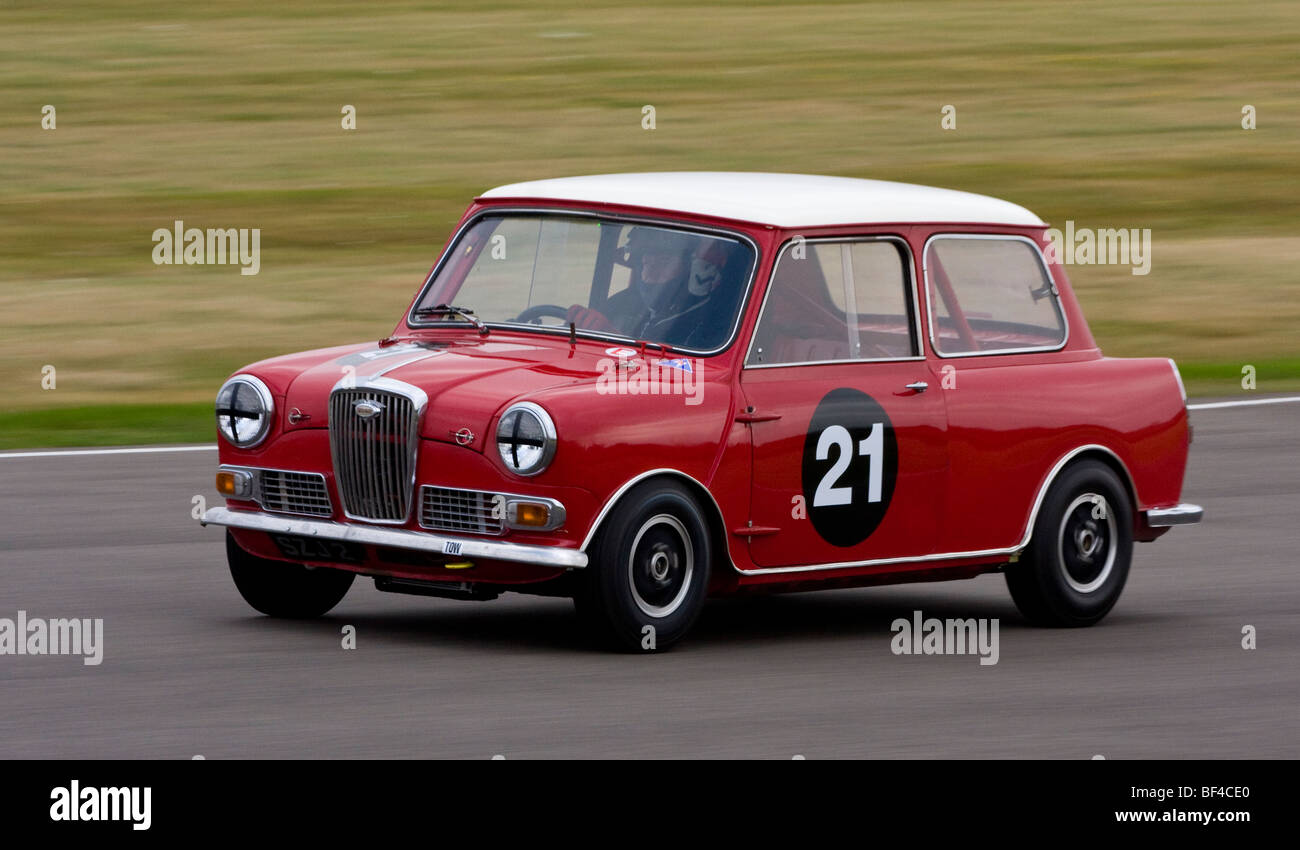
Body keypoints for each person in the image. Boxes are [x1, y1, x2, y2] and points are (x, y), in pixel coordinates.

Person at [566, 227, 736, 348]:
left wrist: (613, 337)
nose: (652, 267)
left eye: (664, 261)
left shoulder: (714, 322)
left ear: (688, 268)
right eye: (646, 260)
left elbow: (683, 377)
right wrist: (573, 331)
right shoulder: (621, 303)